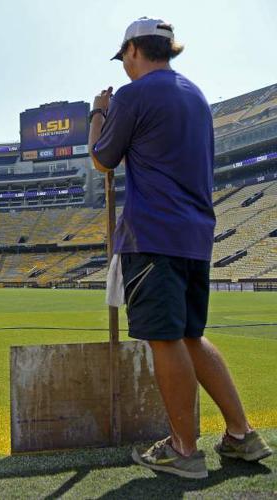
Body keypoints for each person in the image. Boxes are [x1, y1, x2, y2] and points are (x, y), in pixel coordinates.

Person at [89, 17, 272, 479]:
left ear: (133, 49)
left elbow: (101, 159)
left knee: (166, 338)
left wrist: (98, 115)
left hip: (153, 236)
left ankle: (183, 449)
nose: (124, 65)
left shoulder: (134, 94)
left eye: (124, 56)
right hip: (196, 235)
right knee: (191, 334)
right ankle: (240, 434)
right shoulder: (196, 96)